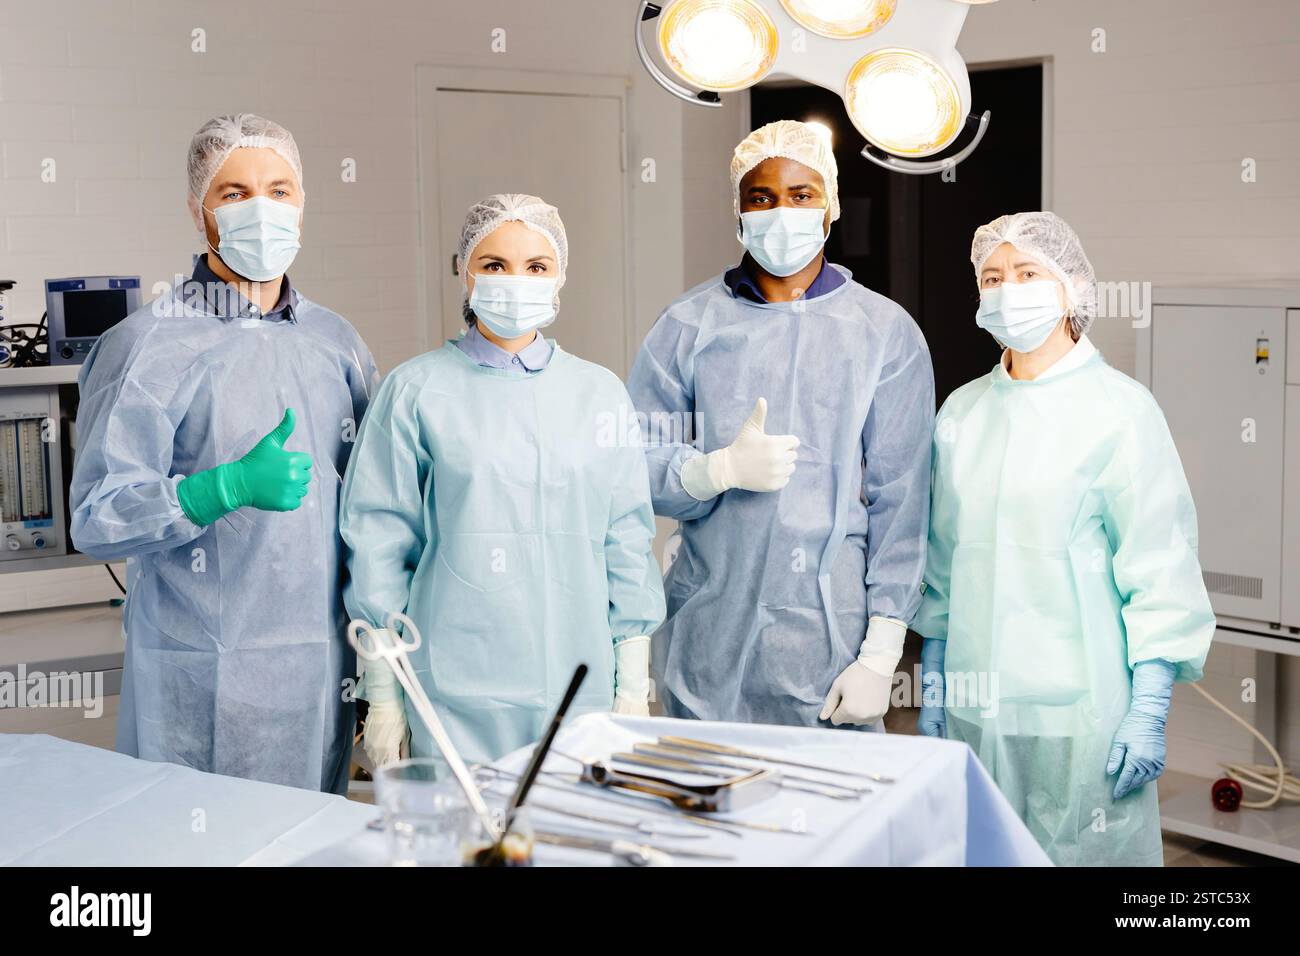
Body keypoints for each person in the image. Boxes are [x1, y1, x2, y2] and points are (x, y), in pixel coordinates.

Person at [71, 114, 378, 794]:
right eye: (233, 193)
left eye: (279, 189)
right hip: (198, 675)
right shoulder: (146, 345)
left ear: (303, 204)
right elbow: (97, 518)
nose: (260, 208)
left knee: (310, 841)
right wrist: (219, 489)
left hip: (320, 671)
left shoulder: (338, 344)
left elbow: (374, 510)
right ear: (197, 210)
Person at [913, 211, 1216, 866]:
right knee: (982, 852)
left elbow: (1158, 569)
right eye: (991, 277)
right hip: (976, 700)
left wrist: (1150, 705)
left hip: (1080, 714)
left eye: (1028, 273)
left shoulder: (1120, 411)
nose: (1006, 288)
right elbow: (942, 562)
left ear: (1072, 288)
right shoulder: (961, 412)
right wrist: (932, 682)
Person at [627, 120, 934, 731]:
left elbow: (905, 501)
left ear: (832, 206)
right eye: (762, 197)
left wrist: (880, 654)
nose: (782, 212)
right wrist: (712, 470)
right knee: (709, 809)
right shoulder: (689, 325)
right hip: (709, 624)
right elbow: (634, 462)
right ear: (739, 211)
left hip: (831, 633)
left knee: (836, 817)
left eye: (802, 195)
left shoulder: (883, 331)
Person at [340, 194, 665, 767]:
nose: (516, 281)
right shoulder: (415, 391)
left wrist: (633, 684)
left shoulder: (598, 394)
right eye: (495, 265)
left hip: (580, 691)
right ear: (464, 272)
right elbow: (378, 545)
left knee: (569, 847)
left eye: (536, 266)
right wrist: (384, 693)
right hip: (450, 692)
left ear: (560, 277)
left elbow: (628, 543)